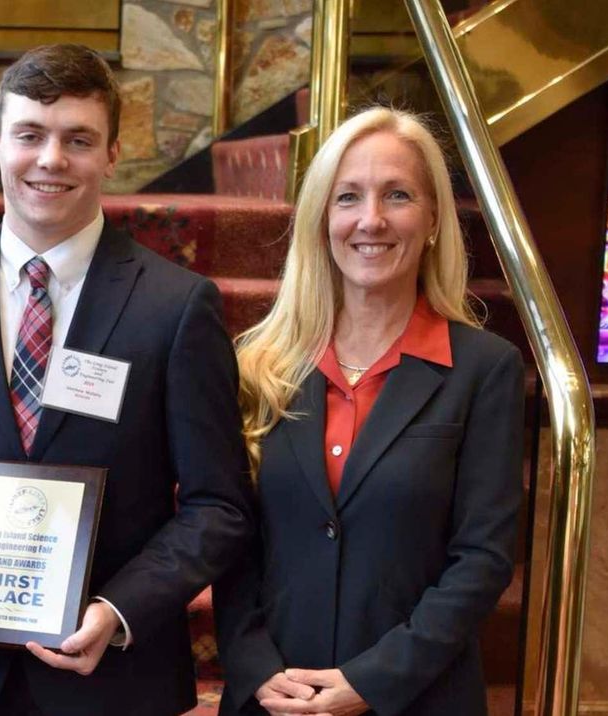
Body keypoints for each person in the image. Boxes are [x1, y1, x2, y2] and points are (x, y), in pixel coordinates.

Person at [0, 43, 255, 716]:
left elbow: (218, 504)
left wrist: (119, 611)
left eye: (79, 139)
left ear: (113, 154)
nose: (52, 160)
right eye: (30, 134)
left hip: (115, 679)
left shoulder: (176, 307)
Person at [215, 107, 525, 715]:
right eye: (348, 197)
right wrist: (254, 664)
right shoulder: (257, 363)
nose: (371, 220)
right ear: (321, 218)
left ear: (433, 216)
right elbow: (228, 534)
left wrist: (371, 681)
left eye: (398, 195)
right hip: (274, 696)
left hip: (415, 695)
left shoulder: (486, 368)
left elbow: (482, 560)